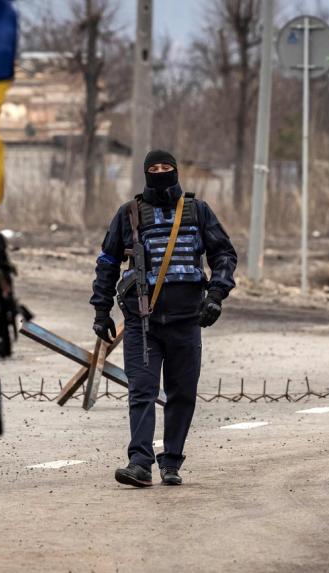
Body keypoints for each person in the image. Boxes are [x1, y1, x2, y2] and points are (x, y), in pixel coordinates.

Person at [90, 149, 237, 487]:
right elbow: (108, 263)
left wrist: (215, 295)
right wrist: (101, 310)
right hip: (144, 323)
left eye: (165, 167)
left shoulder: (197, 211)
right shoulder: (128, 215)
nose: (159, 172)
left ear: (175, 171)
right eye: (153, 168)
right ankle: (139, 463)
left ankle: (171, 461)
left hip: (187, 321)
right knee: (141, 391)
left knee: (182, 393)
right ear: (145, 173)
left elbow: (224, 254)